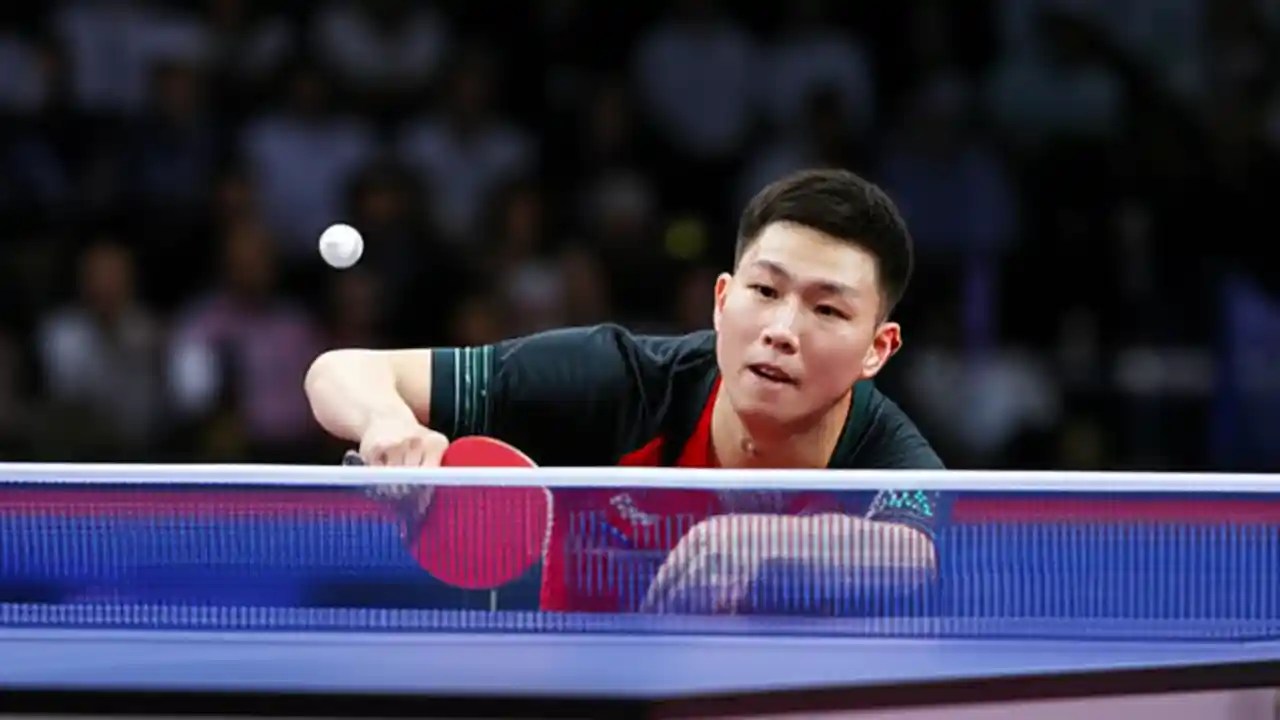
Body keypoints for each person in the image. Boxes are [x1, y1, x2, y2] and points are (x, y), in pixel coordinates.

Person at [305, 168, 946, 614]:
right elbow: (342, 371)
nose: (782, 331)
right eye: (766, 291)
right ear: (722, 301)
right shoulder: (620, 382)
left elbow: (915, 549)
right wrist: (387, 421)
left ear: (877, 349)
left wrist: (753, 539)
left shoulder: (881, 443)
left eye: (827, 311)